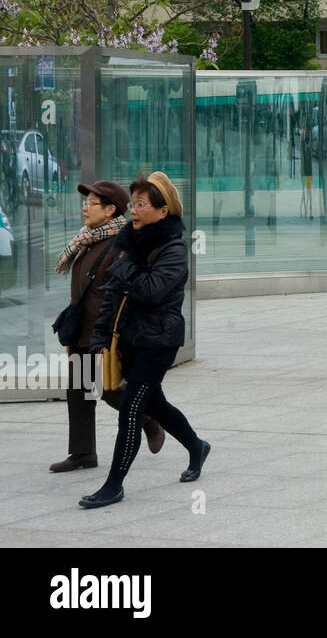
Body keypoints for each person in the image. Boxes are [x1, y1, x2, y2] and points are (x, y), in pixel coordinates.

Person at [80, 172, 209, 509]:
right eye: (133, 203)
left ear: (163, 211)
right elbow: (112, 297)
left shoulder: (174, 250)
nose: (133, 210)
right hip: (129, 337)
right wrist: (99, 338)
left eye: (141, 204)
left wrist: (125, 268)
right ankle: (197, 447)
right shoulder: (129, 242)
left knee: (132, 409)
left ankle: (113, 485)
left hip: (159, 341)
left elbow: (150, 291)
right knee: (157, 405)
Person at [51, 181, 165, 473]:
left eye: (92, 202)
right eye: (85, 202)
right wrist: (71, 330)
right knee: (78, 390)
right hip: (82, 329)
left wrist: (114, 335)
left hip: (104, 331)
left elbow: (121, 293)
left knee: (108, 388)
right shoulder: (86, 239)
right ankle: (82, 453)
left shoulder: (120, 245)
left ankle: (151, 420)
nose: (85, 207)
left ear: (111, 209)